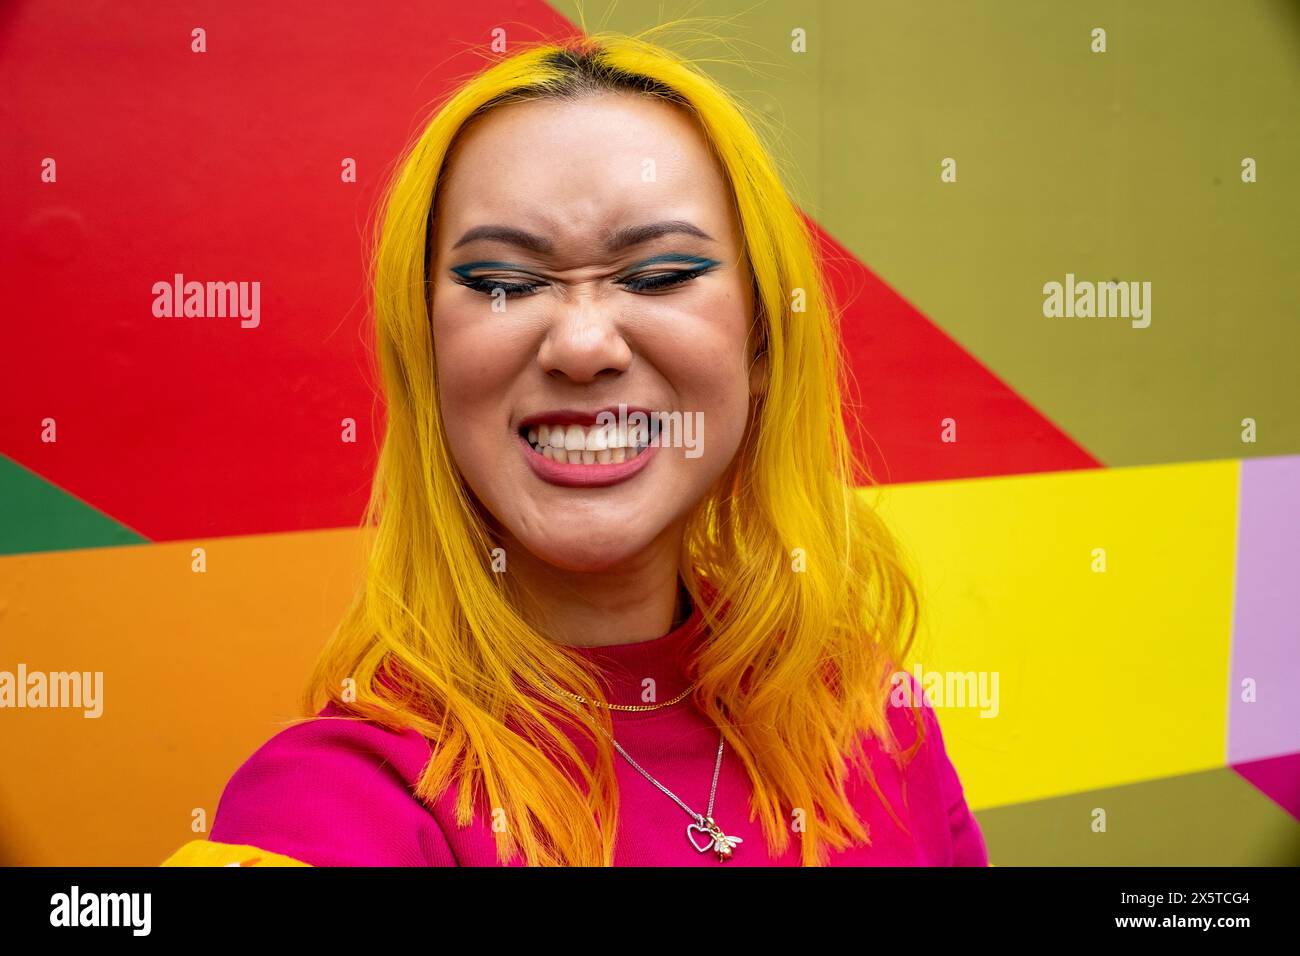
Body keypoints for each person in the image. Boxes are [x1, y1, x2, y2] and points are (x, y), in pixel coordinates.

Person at [163, 30, 988, 868]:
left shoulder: (873, 722)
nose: (584, 344)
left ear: (762, 348)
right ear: (427, 357)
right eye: (503, 285)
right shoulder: (331, 805)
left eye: (660, 275)